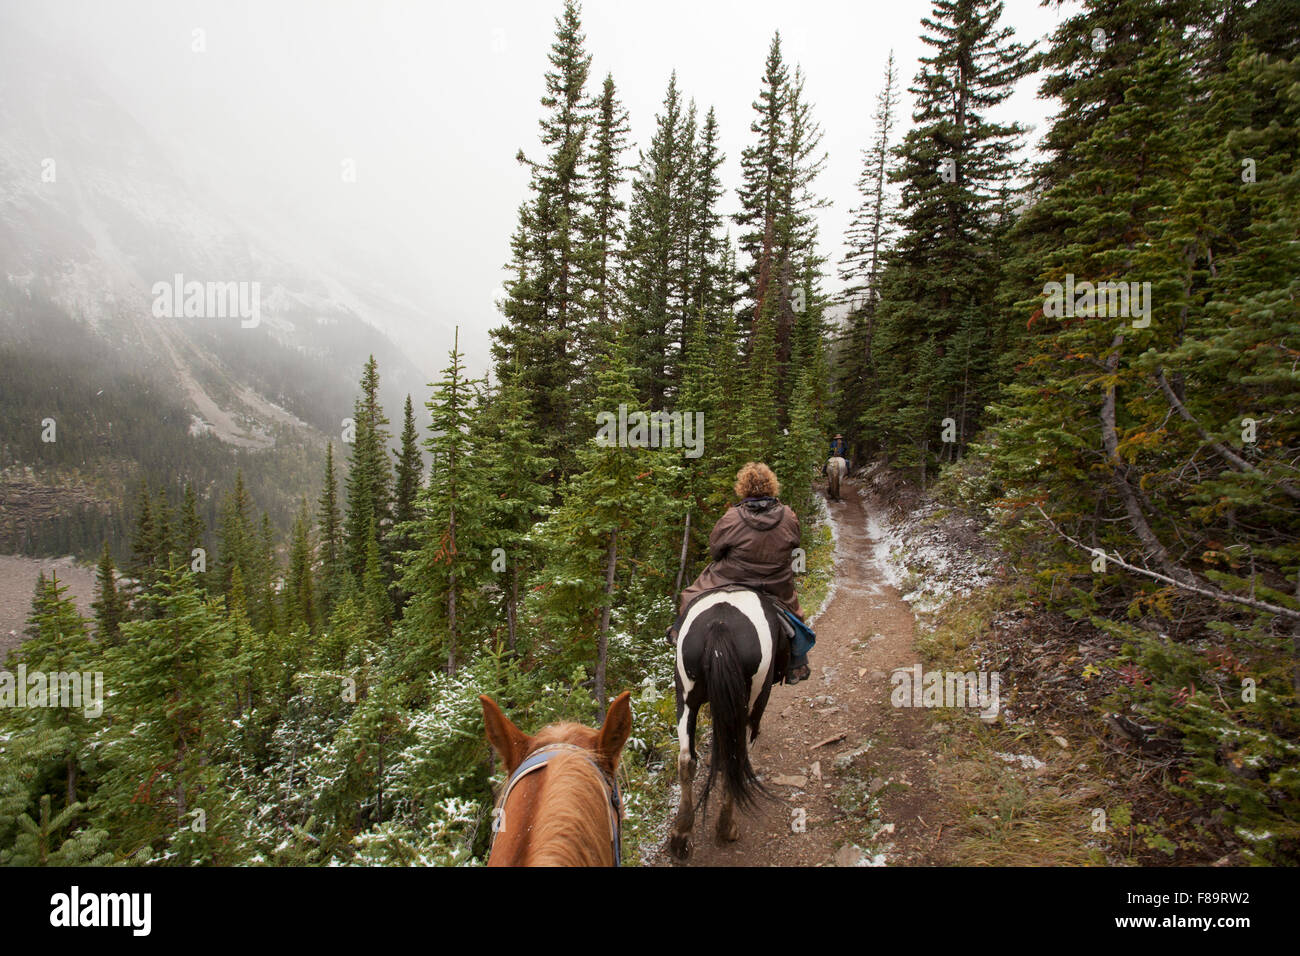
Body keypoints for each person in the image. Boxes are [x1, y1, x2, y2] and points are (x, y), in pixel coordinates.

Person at [670, 462, 812, 683]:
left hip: (732, 577)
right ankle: (797, 662)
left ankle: (679, 630)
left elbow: (716, 551)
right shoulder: (788, 516)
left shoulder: (732, 517)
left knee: (691, 593)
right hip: (776, 583)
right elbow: (795, 544)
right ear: (772, 486)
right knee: (794, 613)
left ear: (743, 487)